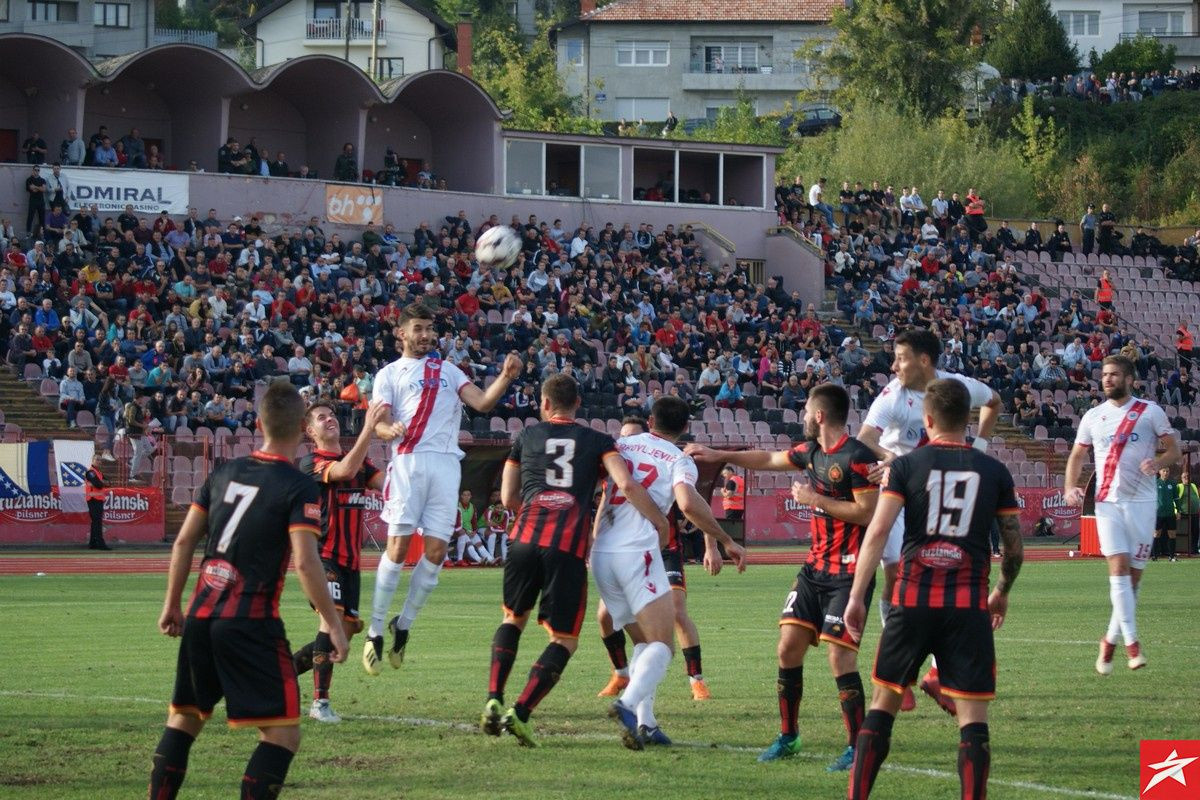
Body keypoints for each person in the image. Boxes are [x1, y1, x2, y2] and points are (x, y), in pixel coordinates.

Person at [148, 381, 348, 800]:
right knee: (282, 734)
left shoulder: (223, 472)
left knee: (184, 721)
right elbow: (306, 562)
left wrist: (172, 605)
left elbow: (184, 542)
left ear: (258, 424)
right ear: (301, 428)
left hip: (201, 616)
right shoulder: (299, 486)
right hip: (251, 622)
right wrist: (333, 623)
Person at [843, 379, 1024, 800]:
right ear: (968, 419)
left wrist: (856, 596)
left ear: (926, 420)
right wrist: (1002, 590)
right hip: (968, 605)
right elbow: (1013, 548)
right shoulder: (994, 471)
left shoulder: (906, 466)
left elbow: (877, 533)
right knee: (972, 716)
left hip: (912, 600)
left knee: (882, 706)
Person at [689, 384, 878, 770]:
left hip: (848, 572)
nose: (803, 416)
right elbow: (770, 459)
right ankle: (789, 735)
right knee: (787, 647)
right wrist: (722, 455)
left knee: (839, 658)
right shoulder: (810, 453)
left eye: (807, 410)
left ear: (820, 416)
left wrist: (815, 501)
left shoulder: (857, 457)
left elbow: (867, 514)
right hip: (814, 569)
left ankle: (858, 746)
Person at [480, 374, 668, 747]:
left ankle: (493, 697)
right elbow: (626, 485)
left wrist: (535, 512)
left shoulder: (524, 437)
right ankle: (521, 711)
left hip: (523, 539)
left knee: (512, 619)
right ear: (577, 404)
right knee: (564, 639)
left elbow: (507, 497)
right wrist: (659, 521)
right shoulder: (599, 441)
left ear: (544, 404)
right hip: (566, 545)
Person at [363, 303, 522, 676]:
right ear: (401, 333)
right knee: (399, 548)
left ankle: (403, 625)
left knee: (435, 553)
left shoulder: (449, 371)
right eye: (418, 328)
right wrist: (389, 431)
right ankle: (374, 631)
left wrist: (506, 377)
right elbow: (381, 423)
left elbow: (482, 403)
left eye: (429, 329)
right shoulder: (388, 374)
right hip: (409, 461)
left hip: (447, 465)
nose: (426, 336)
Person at [856, 328, 1000, 714]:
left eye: (901, 357)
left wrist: (979, 448)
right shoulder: (893, 395)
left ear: (923, 360)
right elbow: (866, 436)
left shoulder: (957, 387)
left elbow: (995, 402)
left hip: (940, 492)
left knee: (943, 575)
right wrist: (893, 458)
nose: (894, 364)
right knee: (898, 574)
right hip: (901, 492)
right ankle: (901, 673)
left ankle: (936, 675)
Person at [597, 396, 746, 749]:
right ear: (684, 428)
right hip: (638, 550)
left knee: (645, 642)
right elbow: (687, 504)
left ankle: (647, 723)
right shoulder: (680, 459)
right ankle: (629, 704)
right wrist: (725, 539)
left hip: (603, 552)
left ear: (650, 421)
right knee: (662, 645)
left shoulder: (621, 443)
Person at [1064, 355, 1180, 673]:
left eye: (1114, 374)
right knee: (1117, 567)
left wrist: (1157, 464)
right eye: (1105, 375)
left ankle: (1109, 640)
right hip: (1107, 503)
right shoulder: (1093, 416)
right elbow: (1077, 455)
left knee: (1133, 580)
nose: (1108, 379)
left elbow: (1173, 449)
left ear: (1129, 379)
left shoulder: (1149, 412)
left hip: (1142, 504)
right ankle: (1133, 645)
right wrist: (1070, 486)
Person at [292, 400, 389, 723]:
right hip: (324, 556)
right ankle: (320, 703)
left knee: (343, 634)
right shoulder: (311, 462)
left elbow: (388, 485)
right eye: (321, 418)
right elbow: (344, 471)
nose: (330, 419)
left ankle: (279, 676)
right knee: (329, 620)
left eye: (332, 415)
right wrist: (369, 430)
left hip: (351, 561)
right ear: (310, 431)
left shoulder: (361, 462)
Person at [84, 452, 111, 550]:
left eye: (100, 460)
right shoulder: (90, 472)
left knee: (95, 522)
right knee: (97, 522)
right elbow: (99, 484)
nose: (99, 462)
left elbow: (109, 483)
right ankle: (100, 543)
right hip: (93, 499)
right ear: (93, 461)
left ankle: (93, 543)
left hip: (98, 499)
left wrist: (101, 482)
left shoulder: (98, 473)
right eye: (97, 460)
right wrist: (102, 482)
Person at [1152, 467, 1178, 562]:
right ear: (1159, 472)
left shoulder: (1172, 484)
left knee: (1172, 534)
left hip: (1170, 513)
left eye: (1167, 471)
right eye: (1164, 471)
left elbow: (1176, 499)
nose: (1166, 473)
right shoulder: (1155, 483)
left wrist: (1178, 511)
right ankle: (1155, 556)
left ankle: (1172, 556)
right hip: (1158, 513)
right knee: (1156, 534)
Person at [1177, 467, 1199, 556]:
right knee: (1184, 533)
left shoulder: (1193, 485)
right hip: (1184, 514)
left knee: (1196, 532)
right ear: (1181, 478)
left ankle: (1194, 550)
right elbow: (1176, 500)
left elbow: (1196, 498)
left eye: (1188, 476)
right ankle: (1184, 550)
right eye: (1184, 477)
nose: (1186, 478)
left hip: (1194, 513)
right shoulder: (1179, 486)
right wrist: (1177, 511)